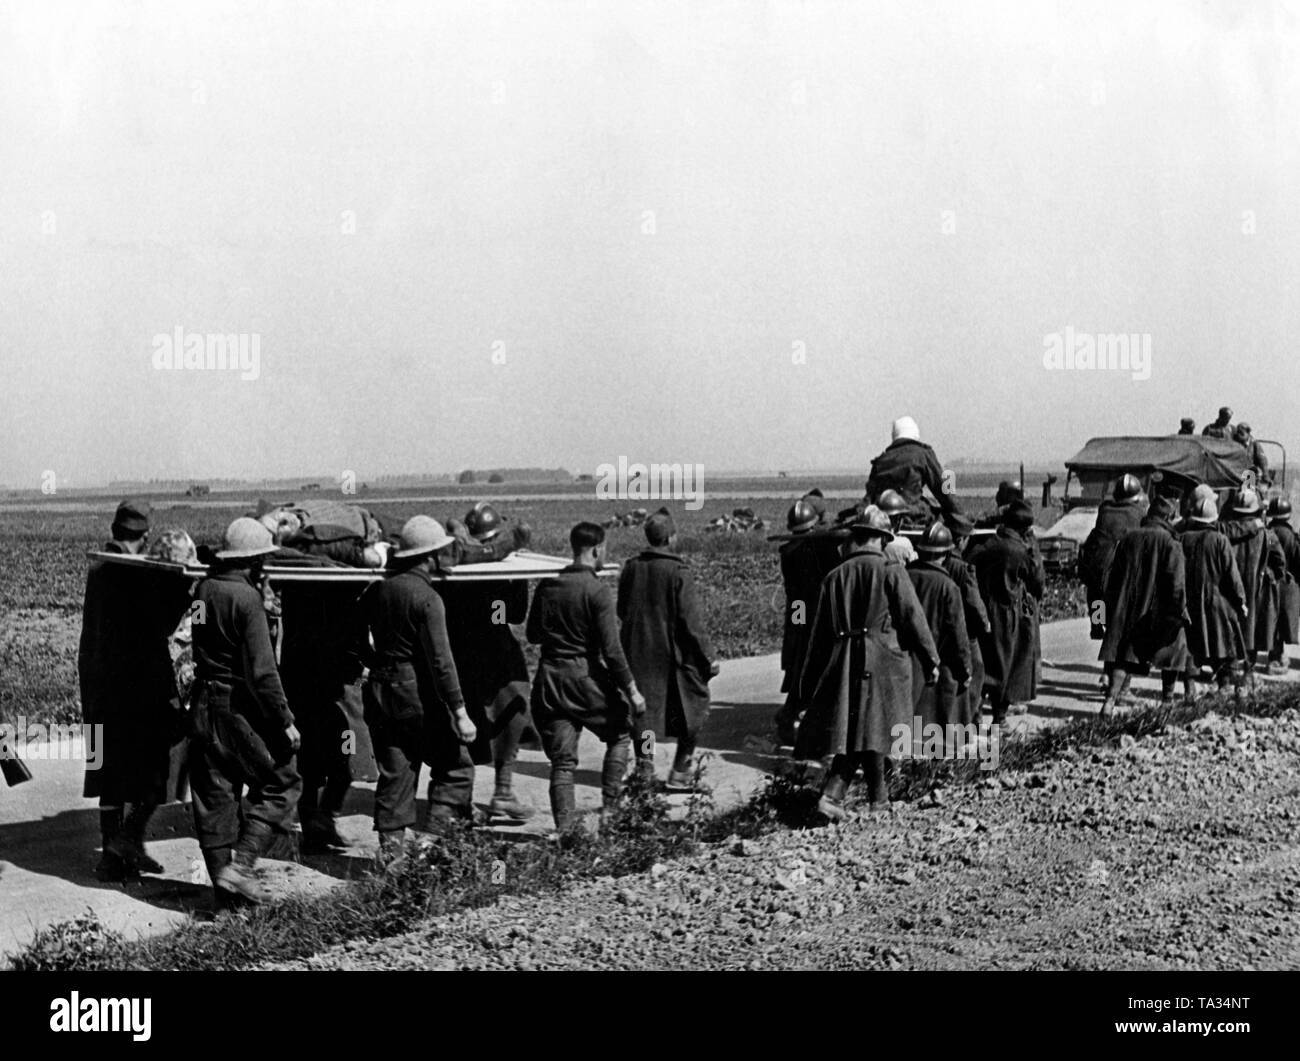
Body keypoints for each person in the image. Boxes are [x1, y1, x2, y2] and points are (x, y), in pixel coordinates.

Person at [794, 507, 939, 821]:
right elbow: (913, 618)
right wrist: (931, 659)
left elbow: (818, 636)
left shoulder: (834, 577)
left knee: (862, 730)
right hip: (885, 660)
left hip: (845, 661)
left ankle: (846, 795)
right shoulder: (891, 571)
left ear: (856, 537)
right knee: (873, 730)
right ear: (883, 538)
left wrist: (807, 682)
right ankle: (865, 798)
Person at [189, 518, 303, 906]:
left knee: (214, 793)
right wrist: (284, 720)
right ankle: (243, 866)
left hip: (202, 702)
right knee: (283, 779)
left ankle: (226, 899)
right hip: (236, 705)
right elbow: (262, 672)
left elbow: (199, 635)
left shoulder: (203, 590)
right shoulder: (248, 601)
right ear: (254, 561)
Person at [78, 500, 193, 881]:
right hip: (137, 688)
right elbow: (158, 626)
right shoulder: (132, 572)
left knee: (109, 772)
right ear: (143, 537)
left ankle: (115, 853)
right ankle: (127, 840)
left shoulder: (101, 567)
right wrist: (181, 588)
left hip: (100, 686)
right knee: (163, 759)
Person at [359, 517, 478, 861]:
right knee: (456, 764)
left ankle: (392, 860)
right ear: (430, 557)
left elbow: (353, 633)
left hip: (379, 689)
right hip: (415, 693)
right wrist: (460, 713)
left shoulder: (378, 589)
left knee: (396, 770)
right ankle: (436, 844)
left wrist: (374, 658)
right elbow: (442, 663)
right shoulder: (428, 598)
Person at [526, 522, 646, 835]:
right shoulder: (597, 590)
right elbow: (612, 651)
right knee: (620, 732)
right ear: (596, 550)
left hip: (550, 678)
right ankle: (611, 813)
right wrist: (631, 690)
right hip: (584, 675)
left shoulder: (548, 584)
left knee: (562, 762)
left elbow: (533, 634)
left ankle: (566, 833)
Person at [433, 503, 535, 822]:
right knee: (502, 716)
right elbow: (511, 614)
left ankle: (478, 798)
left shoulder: (451, 564)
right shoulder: (489, 568)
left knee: (479, 719)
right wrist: (511, 585)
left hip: (464, 654)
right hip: (490, 653)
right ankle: (486, 796)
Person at [617, 509, 720, 789]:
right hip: (673, 653)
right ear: (672, 538)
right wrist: (708, 657)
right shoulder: (678, 571)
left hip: (637, 650)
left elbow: (621, 609)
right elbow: (692, 621)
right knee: (695, 705)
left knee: (645, 715)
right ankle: (681, 769)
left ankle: (645, 768)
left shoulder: (631, 567)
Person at [280, 578, 374, 852]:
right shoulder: (316, 591)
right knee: (313, 761)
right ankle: (314, 825)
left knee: (348, 758)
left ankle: (325, 817)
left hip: (334, 690)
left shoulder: (344, 596)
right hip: (313, 688)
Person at [1097, 496, 1193, 712]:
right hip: (1158, 612)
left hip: (1128, 608)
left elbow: (1110, 576)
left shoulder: (1128, 538)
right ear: (1168, 517)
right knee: (1175, 649)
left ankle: (1109, 702)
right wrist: (1179, 612)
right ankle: (1167, 702)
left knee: (1124, 655)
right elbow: (1177, 585)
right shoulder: (1171, 543)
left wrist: (1112, 607)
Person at [968, 500, 1044, 724]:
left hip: (983, 608)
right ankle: (999, 719)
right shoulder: (1021, 550)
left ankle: (976, 713)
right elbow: (1037, 580)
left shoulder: (986, 543)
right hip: (1009, 613)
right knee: (1007, 666)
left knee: (984, 663)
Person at [773, 499, 839, 744]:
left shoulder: (788, 551)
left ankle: (791, 716)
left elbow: (795, 598)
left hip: (799, 611)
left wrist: (799, 626)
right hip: (817, 615)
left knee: (801, 666)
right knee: (815, 669)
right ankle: (796, 718)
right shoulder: (823, 548)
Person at [906, 523, 971, 735]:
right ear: (945, 553)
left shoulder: (904, 575)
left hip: (906, 658)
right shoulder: (948, 586)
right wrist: (966, 669)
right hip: (939, 662)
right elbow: (958, 633)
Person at [1180, 495, 1248, 695]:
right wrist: (1240, 600)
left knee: (1191, 646)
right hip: (1217, 600)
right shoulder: (1220, 540)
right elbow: (1232, 575)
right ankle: (1225, 685)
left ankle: (1189, 689)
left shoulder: (1183, 539)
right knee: (1224, 642)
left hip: (1190, 601)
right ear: (1213, 519)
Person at [1220, 487, 1286, 690]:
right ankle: (1248, 675)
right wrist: (1269, 576)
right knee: (1251, 633)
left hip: (1227, 589)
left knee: (1227, 631)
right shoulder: (1266, 534)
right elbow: (1280, 563)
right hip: (1254, 590)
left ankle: (1227, 677)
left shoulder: (1223, 532)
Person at [943, 513, 990, 724]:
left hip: (940, 630)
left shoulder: (939, 561)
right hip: (965, 631)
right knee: (976, 670)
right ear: (960, 540)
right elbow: (973, 601)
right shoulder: (963, 568)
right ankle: (971, 717)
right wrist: (984, 624)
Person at [866, 415, 962, 521]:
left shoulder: (880, 460)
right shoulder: (923, 454)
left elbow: (869, 496)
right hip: (912, 513)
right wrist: (961, 519)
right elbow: (944, 488)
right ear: (915, 433)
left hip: (880, 516)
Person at [1267, 498, 1300, 675]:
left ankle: (1275, 656)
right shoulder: (1290, 536)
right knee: (1282, 622)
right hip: (1287, 584)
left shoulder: (1266, 532)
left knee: (1272, 622)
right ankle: (1276, 660)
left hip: (1267, 584)